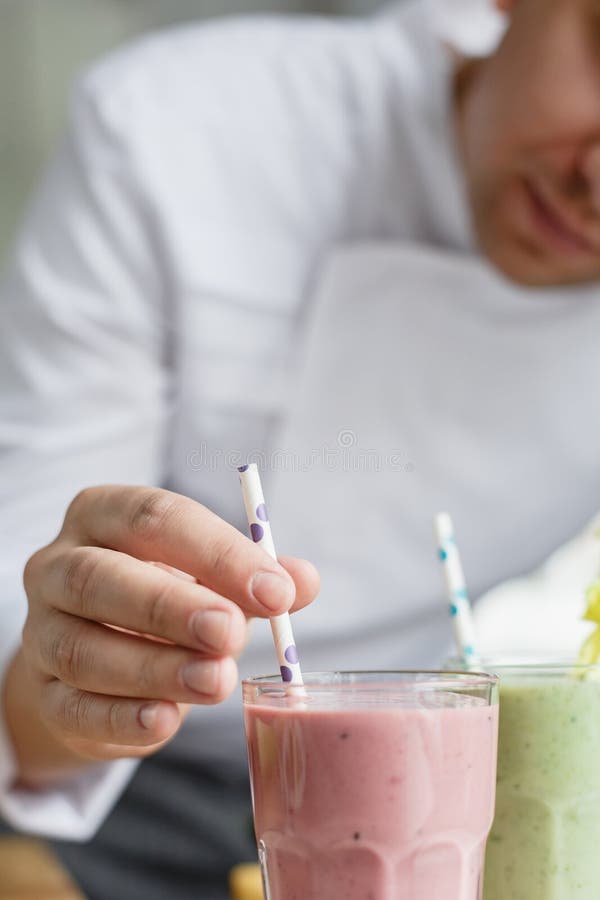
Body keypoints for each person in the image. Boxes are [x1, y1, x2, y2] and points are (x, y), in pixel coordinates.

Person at [2, 0, 600, 896]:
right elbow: (21, 644)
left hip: (438, 787)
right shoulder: (178, 126)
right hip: (118, 796)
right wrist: (67, 687)